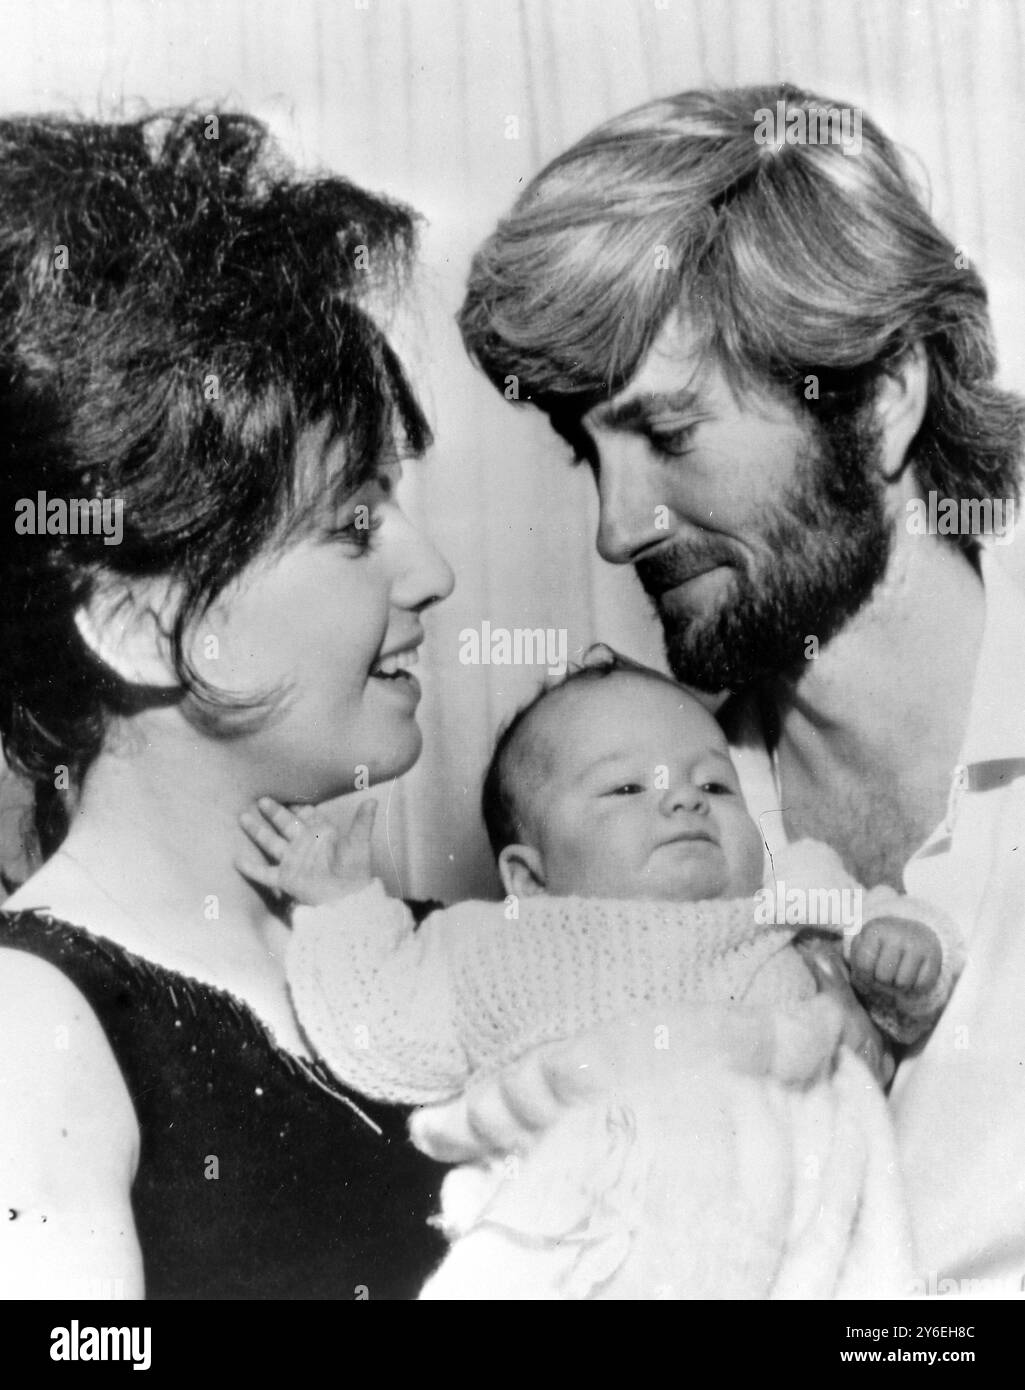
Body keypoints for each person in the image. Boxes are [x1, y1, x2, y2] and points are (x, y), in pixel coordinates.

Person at [456, 84, 1025, 1289]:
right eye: (586, 450)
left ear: (878, 403)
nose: (615, 531)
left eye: (666, 434)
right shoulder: (648, 853)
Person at [0, 108, 462, 1299]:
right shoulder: (34, 1029)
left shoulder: (403, 950)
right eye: (353, 523)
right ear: (142, 624)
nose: (430, 573)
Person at [235, 655, 960, 1298]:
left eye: (714, 781)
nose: (684, 799)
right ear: (529, 877)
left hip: (793, 1226)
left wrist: (902, 952)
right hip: (587, 1235)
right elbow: (381, 1021)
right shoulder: (498, 945)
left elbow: (894, 961)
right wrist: (340, 905)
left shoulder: (787, 906)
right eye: (623, 790)